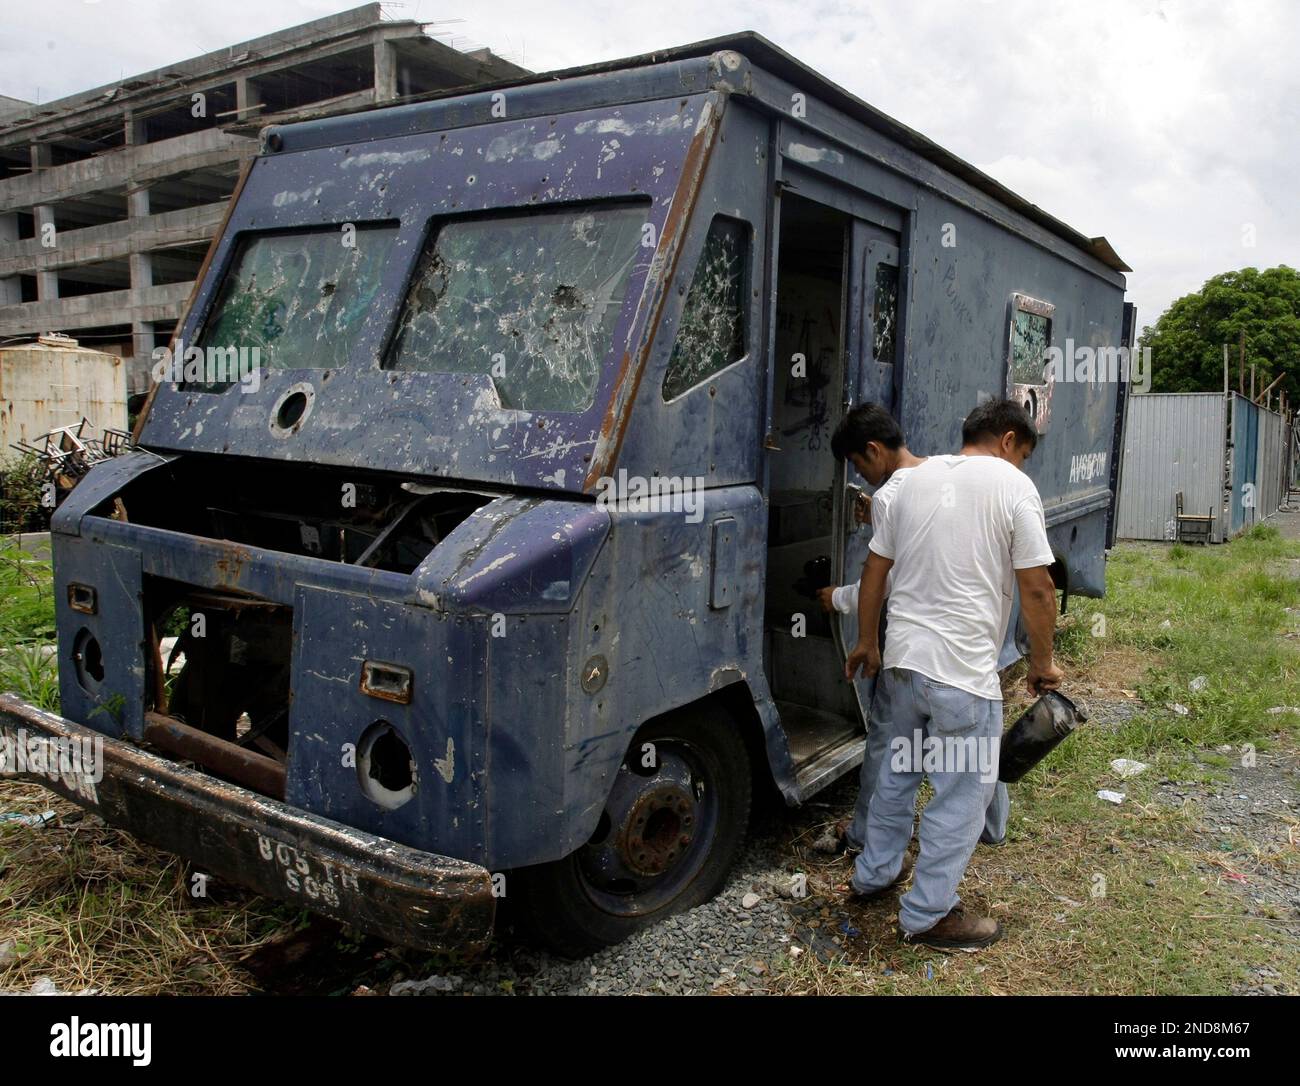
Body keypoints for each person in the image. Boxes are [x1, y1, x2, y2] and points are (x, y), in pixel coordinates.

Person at [844, 399, 1063, 950]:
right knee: (960, 796)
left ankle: (874, 874)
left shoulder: (910, 484)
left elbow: (875, 573)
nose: (1022, 467)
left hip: (901, 670)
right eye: (1024, 456)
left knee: (896, 779)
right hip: (961, 678)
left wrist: (868, 641)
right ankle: (927, 915)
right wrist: (1042, 663)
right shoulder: (1013, 488)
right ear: (1009, 440)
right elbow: (1038, 588)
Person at [820, 404, 924, 857]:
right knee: (965, 743)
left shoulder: (888, 497)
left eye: (860, 465)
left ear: (874, 450)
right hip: (959, 648)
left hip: (910, 643)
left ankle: (866, 838)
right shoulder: (936, 476)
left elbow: (882, 579)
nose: (861, 477)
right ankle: (992, 826)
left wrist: (838, 599)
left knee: (886, 743)